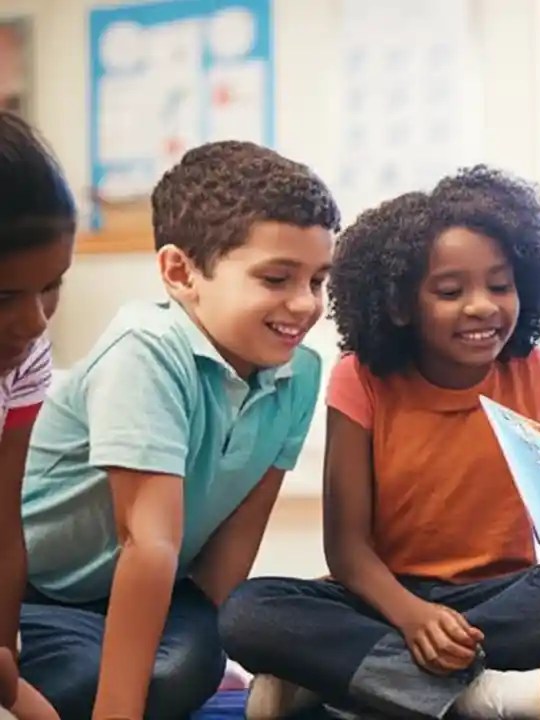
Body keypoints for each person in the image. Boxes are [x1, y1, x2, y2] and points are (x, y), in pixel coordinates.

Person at [218, 167, 540, 720]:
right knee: (249, 613)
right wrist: (411, 617)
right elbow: (347, 549)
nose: (482, 306)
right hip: (386, 599)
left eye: (500, 285)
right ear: (400, 304)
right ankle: (483, 696)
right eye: (451, 291)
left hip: (498, 598)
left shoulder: (534, 373)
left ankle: (348, 684)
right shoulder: (360, 378)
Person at [18, 140, 338, 719]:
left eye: (317, 281)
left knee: (187, 665)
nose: (303, 305)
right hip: (32, 594)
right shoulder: (147, 351)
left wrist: (202, 649)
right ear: (180, 271)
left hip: (148, 595)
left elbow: (230, 551)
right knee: (95, 680)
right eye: (276, 278)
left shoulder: (302, 372)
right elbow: (149, 542)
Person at [0, 111, 76, 720]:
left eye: (52, 285)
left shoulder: (25, 359)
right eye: (2, 298)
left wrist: (4, 660)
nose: (34, 323)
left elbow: (3, 530)